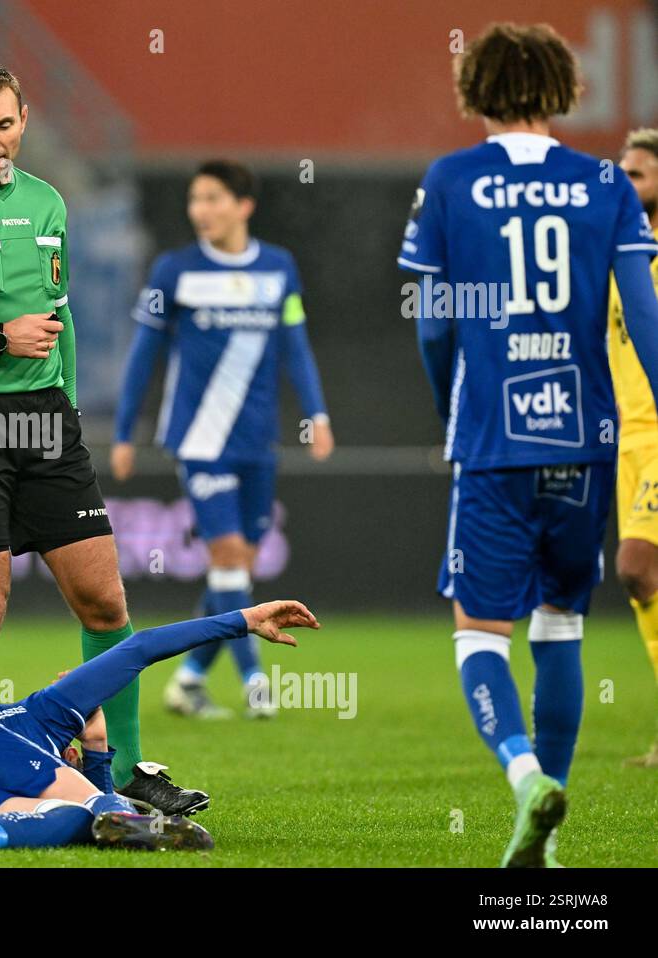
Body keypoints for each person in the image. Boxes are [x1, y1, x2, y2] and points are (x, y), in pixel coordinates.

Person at [0, 60, 205, 813]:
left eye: (3, 125)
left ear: (22, 120)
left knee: (103, 598)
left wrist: (70, 407)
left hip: (47, 422)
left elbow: (60, 317)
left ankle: (120, 771)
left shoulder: (49, 202)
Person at [398, 23, 658, 866]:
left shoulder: (451, 181)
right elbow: (646, 320)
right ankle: (545, 846)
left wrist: (451, 411)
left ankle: (522, 782)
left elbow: (434, 325)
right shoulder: (606, 183)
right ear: (562, 88)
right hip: (584, 443)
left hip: (494, 442)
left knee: (480, 636)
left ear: (474, 89)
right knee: (562, 630)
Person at [112, 160, 333, 719]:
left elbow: (296, 345)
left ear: (243, 206)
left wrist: (318, 413)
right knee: (229, 555)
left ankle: (188, 679)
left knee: (235, 568)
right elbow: (145, 353)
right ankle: (256, 681)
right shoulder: (174, 270)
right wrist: (123, 431)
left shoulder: (279, 268)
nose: (200, 210)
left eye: (212, 198)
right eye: (194, 199)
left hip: (257, 439)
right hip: (199, 438)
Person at [0, 600, 320, 851]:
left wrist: (99, 743)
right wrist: (241, 620)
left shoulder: (34, 767)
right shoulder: (51, 711)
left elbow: (91, 804)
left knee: (70, 818)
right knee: (94, 807)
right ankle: (147, 830)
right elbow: (139, 648)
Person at [607, 128, 658, 768]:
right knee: (644, 585)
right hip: (627, 441)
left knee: (635, 563)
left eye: (640, 174)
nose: (624, 182)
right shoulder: (622, 260)